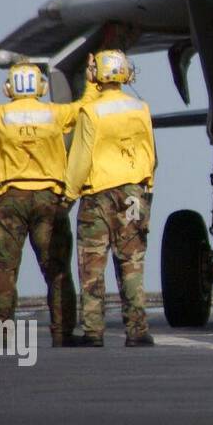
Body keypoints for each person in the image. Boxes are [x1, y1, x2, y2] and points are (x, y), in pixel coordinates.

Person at [0, 53, 98, 347]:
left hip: (10, 201)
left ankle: (1, 334)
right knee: (57, 269)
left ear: (8, 89)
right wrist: (91, 82)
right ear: (40, 87)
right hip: (48, 201)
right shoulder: (54, 114)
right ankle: (63, 333)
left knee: (4, 268)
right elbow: (85, 108)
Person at [63, 49, 157, 348]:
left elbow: (80, 157)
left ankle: (93, 330)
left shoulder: (91, 112)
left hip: (98, 197)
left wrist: (67, 196)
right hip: (134, 193)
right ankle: (137, 330)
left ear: (96, 76)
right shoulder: (140, 108)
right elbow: (150, 153)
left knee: (92, 265)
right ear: (125, 74)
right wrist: (147, 189)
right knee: (132, 262)